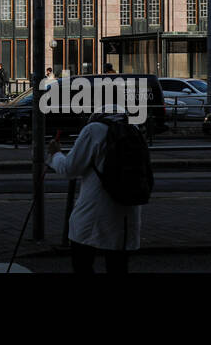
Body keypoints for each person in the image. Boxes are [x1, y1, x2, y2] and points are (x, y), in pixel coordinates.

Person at [47, 114, 143, 273]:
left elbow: (69, 169)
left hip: (93, 212)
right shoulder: (133, 129)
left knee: (82, 263)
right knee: (117, 266)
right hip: (127, 212)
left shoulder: (93, 130)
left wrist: (55, 154)